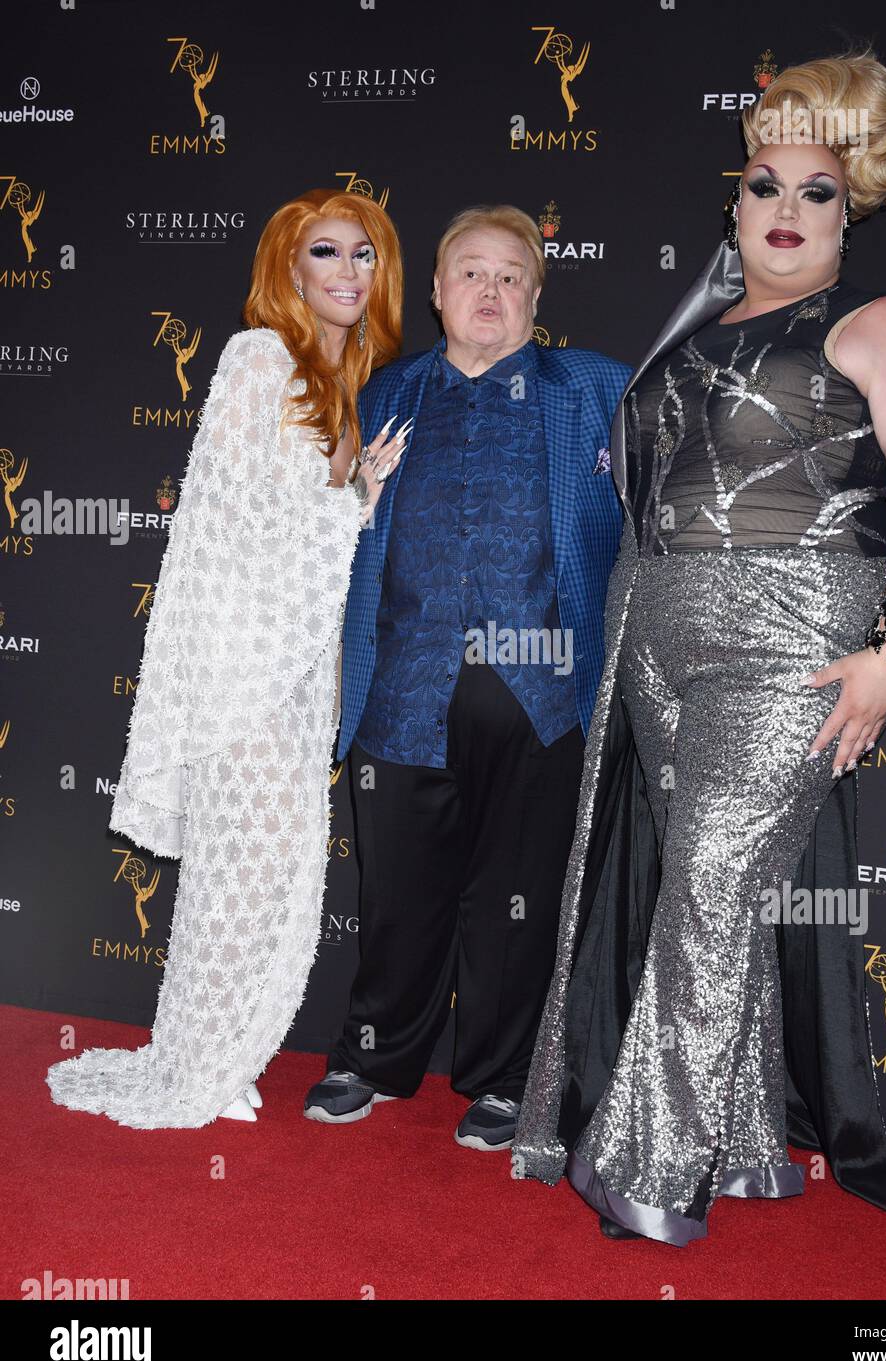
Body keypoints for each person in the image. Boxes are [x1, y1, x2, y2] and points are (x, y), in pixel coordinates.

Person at [512, 51, 886, 1242]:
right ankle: (742, 1144)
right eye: (763, 186)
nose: (784, 210)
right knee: (704, 894)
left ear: (849, 204)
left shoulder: (881, 322)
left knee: (711, 888)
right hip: (656, 632)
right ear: (734, 202)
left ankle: (654, 1172)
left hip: (793, 637)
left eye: (813, 192)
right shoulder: (698, 324)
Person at [46, 189, 406, 1128]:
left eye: (364, 255)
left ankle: (221, 1052)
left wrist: (356, 494)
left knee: (279, 875)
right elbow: (245, 520)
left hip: (299, 672)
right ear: (289, 269)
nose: (347, 274)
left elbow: (320, 534)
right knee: (235, 874)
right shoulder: (258, 359)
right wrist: (353, 500)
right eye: (326, 254)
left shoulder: (349, 377)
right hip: (240, 669)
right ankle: (198, 1066)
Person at [303, 206, 631, 1152]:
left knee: (515, 899)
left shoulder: (597, 392)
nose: (488, 292)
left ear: (536, 294)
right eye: (469, 274)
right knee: (396, 891)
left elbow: (656, 527)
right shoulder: (382, 390)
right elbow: (323, 535)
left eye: (510, 277)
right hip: (400, 692)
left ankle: (501, 1080)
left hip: (541, 698)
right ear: (438, 290)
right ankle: (372, 1058)